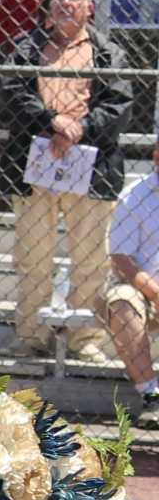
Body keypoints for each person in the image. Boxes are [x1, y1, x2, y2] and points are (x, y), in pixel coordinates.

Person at [0, 0, 132, 361]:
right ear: (50, 6)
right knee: (32, 256)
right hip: (35, 163)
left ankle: (84, 338)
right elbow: (11, 93)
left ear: (90, 8)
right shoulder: (26, 49)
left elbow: (119, 106)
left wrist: (79, 129)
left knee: (90, 259)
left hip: (91, 166)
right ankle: (31, 335)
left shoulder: (108, 53)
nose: (66, 4)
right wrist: (51, 121)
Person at [103, 140, 159, 426]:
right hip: (143, 289)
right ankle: (152, 395)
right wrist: (154, 292)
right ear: (157, 155)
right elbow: (121, 258)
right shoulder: (135, 195)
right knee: (121, 302)